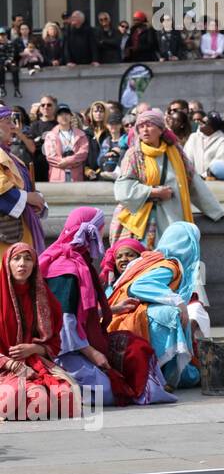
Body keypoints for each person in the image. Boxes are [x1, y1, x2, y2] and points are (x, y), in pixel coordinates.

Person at [39, 208, 172, 408]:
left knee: (136, 346)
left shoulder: (79, 260)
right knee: (107, 392)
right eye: (100, 229)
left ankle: (152, 386)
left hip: (84, 341)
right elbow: (64, 324)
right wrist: (92, 353)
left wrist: (114, 309)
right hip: (64, 352)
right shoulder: (65, 268)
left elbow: (79, 313)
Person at [106, 222, 207, 390]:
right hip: (125, 316)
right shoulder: (167, 264)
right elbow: (139, 286)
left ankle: (165, 374)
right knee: (172, 314)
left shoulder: (149, 259)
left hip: (118, 316)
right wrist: (178, 302)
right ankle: (166, 377)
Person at [111, 109, 224, 246]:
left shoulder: (176, 152)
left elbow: (193, 182)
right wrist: (154, 192)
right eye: (141, 126)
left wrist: (217, 211)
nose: (145, 130)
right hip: (146, 223)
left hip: (173, 219)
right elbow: (122, 189)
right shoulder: (134, 155)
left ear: (161, 129)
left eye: (149, 125)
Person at [0, 243, 79, 420]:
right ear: (7, 263)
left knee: (66, 396)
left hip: (35, 362)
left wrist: (34, 349)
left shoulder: (42, 297)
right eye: (16, 258)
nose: (22, 264)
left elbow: (54, 343)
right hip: (3, 365)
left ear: (35, 265)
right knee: (27, 398)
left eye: (28, 259)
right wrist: (13, 364)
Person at [0, 103, 46, 250]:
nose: (14, 127)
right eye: (8, 122)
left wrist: (37, 201)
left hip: (22, 232)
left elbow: (26, 187)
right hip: (6, 237)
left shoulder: (13, 157)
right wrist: (28, 198)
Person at [41, 104, 89, 183]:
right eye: (60, 114)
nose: (64, 116)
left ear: (71, 116)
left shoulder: (81, 134)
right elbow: (50, 157)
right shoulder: (50, 135)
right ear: (56, 117)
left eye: (66, 114)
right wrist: (71, 162)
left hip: (76, 176)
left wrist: (67, 161)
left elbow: (83, 153)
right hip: (57, 176)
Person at [183, 112, 224, 179]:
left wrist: (203, 176)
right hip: (191, 179)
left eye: (204, 122)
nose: (200, 123)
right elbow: (186, 158)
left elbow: (218, 165)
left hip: (211, 182)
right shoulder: (193, 137)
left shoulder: (222, 142)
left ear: (211, 128)